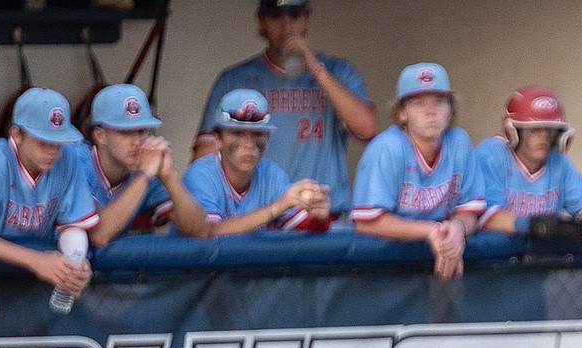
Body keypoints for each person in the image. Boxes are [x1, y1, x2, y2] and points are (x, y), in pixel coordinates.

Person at [199, 0, 379, 223]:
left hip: (323, 219)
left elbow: (367, 128)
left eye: (294, 15)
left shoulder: (337, 72)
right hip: (259, 222)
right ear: (261, 20)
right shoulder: (234, 79)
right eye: (276, 16)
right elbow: (204, 160)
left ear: (307, 18)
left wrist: (315, 69)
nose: (286, 26)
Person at [0, 89, 99, 307]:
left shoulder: (68, 159)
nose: (52, 152)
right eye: (43, 142)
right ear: (17, 135)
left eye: (58, 143)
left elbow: (72, 224)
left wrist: (74, 261)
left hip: (32, 289)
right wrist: (36, 260)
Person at [351, 63, 486, 280]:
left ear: (451, 109)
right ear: (402, 113)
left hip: (439, 262)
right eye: (418, 103)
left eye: (439, 102)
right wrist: (431, 230)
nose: (430, 111)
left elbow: (470, 212)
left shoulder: (459, 143)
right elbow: (366, 221)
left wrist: (458, 230)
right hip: (380, 268)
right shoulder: (387, 148)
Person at [71, 84, 214, 243]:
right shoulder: (76, 161)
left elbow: (200, 231)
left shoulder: (148, 168)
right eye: (125, 132)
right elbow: (99, 235)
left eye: (142, 131)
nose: (137, 141)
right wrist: (143, 176)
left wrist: (168, 176)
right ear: (100, 135)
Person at [474, 86, 582, 244]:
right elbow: (485, 217)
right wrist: (534, 225)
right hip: (495, 261)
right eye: (534, 130)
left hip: (541, 260)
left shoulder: (558, 162)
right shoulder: (492, 154)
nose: (543, 137)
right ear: (514, 132)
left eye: (549, 130)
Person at [179, 89, 332, 234]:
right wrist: (276, 208)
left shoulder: (271, 175)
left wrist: (319, 217)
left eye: (257, 133)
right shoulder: (200, 175)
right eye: (237, 133)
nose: (249, 144)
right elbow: (208, 232)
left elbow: (303, 229)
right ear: (218, 139)